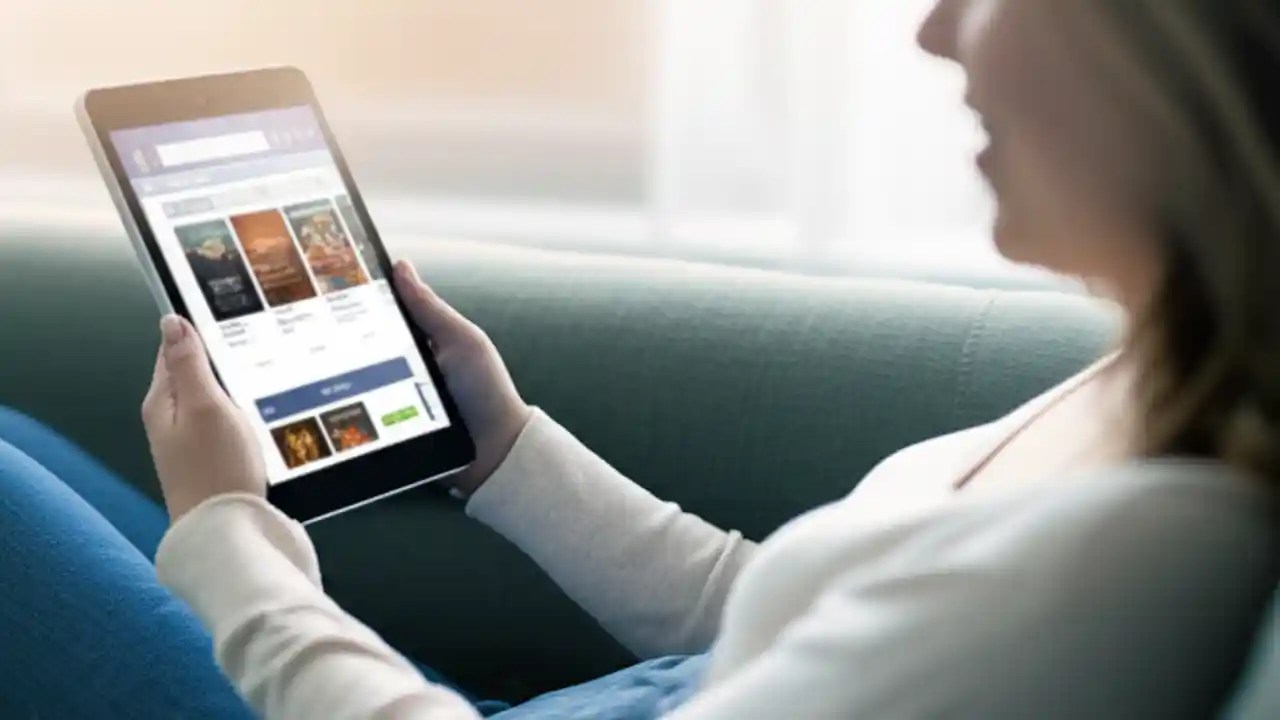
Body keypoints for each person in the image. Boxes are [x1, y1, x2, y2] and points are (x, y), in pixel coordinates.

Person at [1, 0, 1278, 716]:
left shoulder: (1148, 549)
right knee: (25, 445)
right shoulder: (1144, 388)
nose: (936, 30)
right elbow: (796, 628)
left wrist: (230, 540)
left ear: (1179, 50)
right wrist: (507, 450)